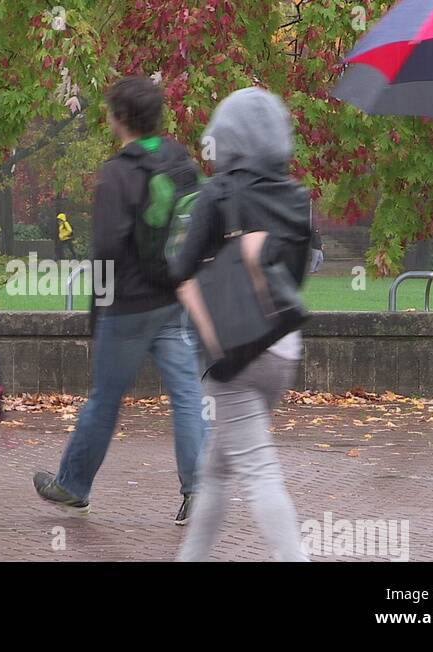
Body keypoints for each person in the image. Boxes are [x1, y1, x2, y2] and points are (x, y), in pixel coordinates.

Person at [32, 75, 205, 525]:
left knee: (105, 400)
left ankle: (73, 485)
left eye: (110, 110)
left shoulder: (117, 172)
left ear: (122, 117)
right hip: (173, 299)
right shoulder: (179, 159)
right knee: (187, 397)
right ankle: (199, 491)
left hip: (128, 304)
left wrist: (98, 310)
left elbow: (107, 248)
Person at [170, 88, 310, 562]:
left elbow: (182, 269)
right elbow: (296, 274)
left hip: (232, 353)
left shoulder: (218, 192)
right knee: (217, 468)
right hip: (283, 348)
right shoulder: (295, 197)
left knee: (257, 470)